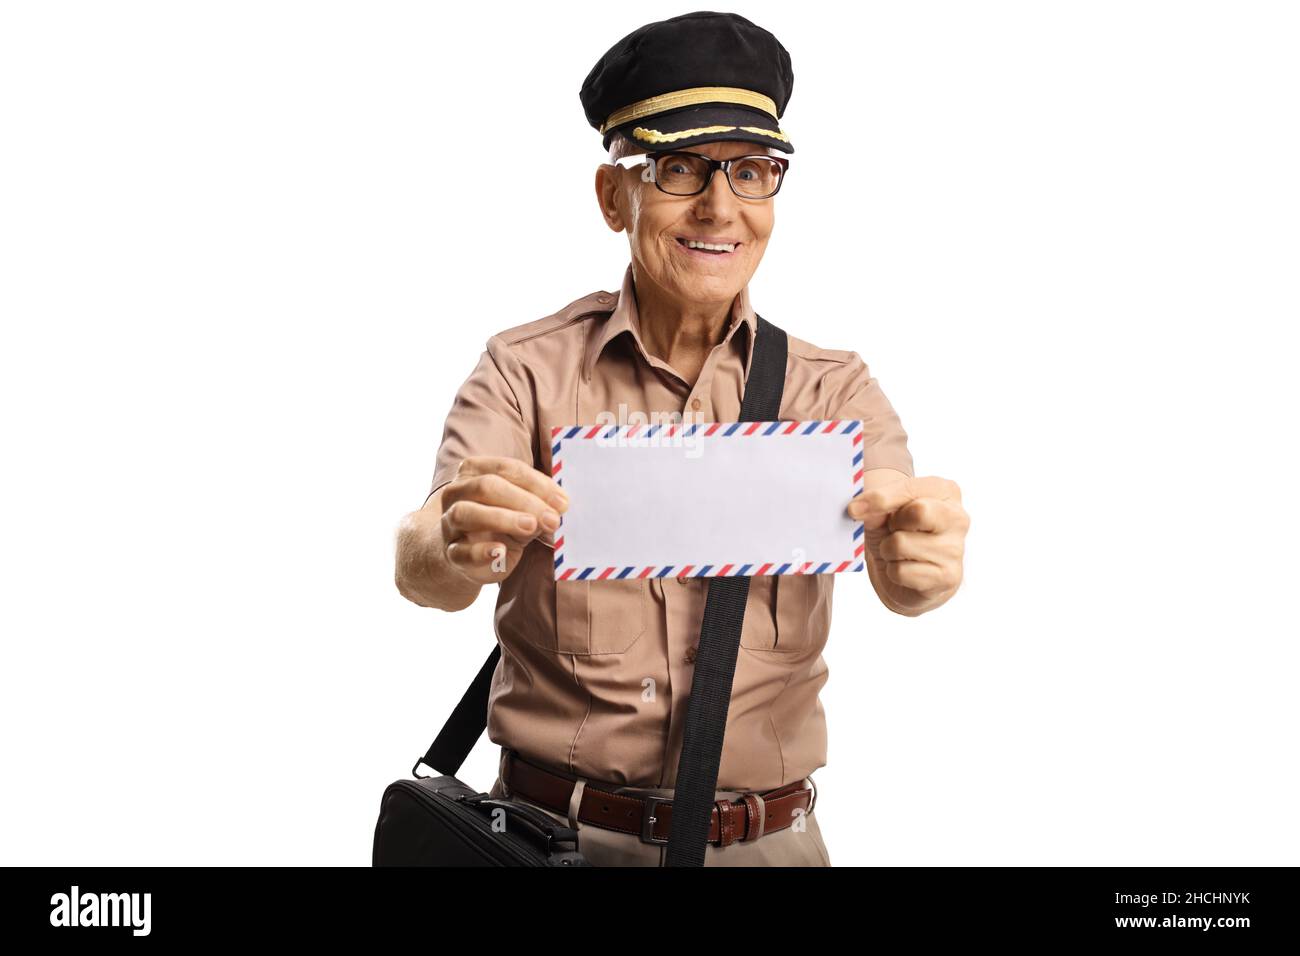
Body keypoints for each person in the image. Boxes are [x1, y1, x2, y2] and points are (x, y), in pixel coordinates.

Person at [394, 11, 970, 866]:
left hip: (768, 847)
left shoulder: (833, 388)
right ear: (613, 195)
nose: (720, 208)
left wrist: (920, 564)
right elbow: (425, 567)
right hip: (554, 844)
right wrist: (446, 540)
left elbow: (907, 562)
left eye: (751, 172)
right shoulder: (525, 370)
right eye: (677, 169)